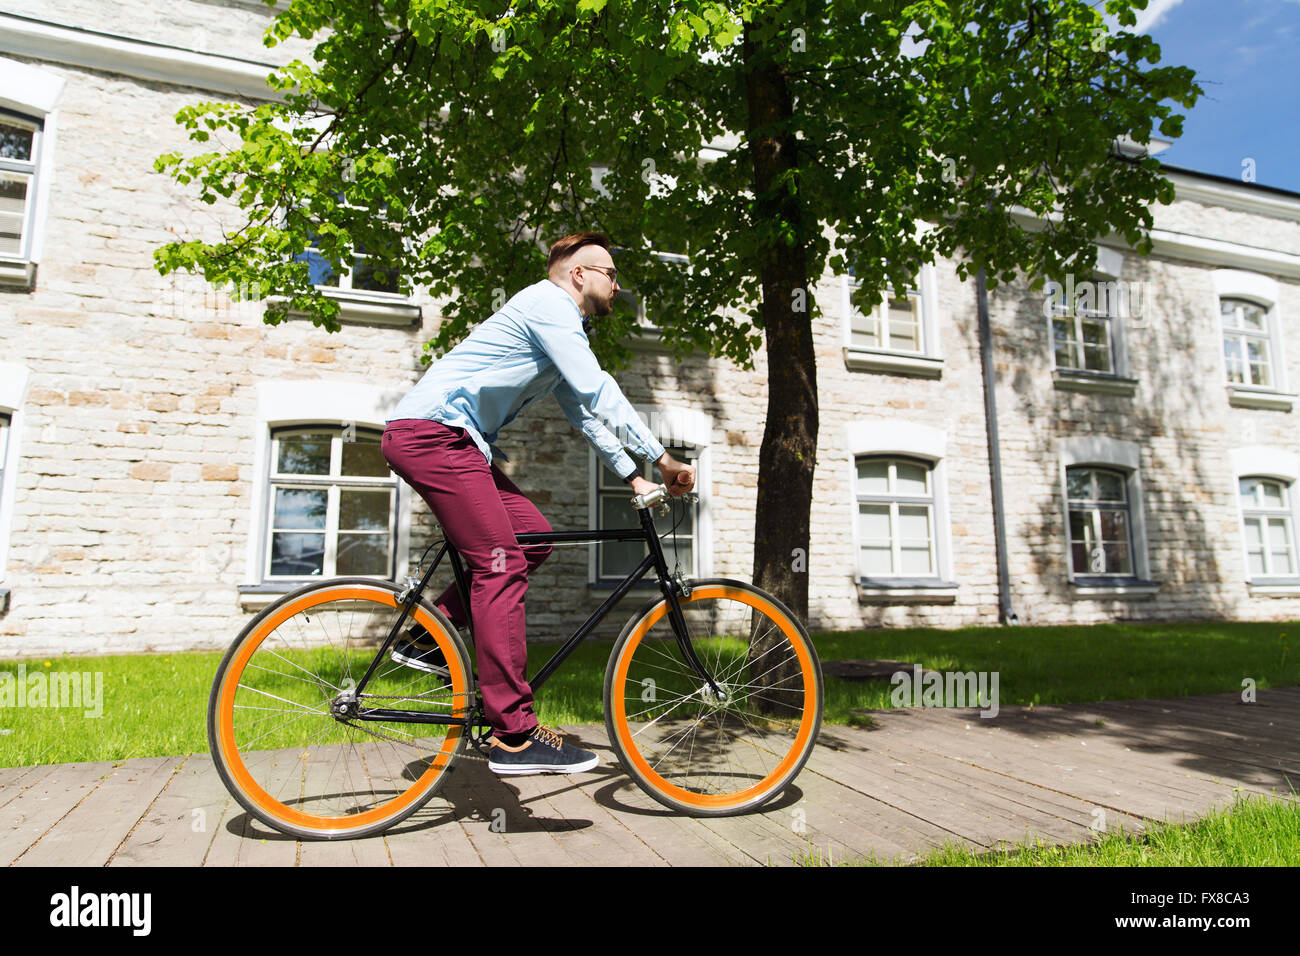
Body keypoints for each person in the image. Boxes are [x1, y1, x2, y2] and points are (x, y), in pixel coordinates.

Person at [381, 232, 696, 775]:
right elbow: (597, 388)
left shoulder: (556, 328)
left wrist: (632, 475)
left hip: (453, 442)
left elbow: (585, 413)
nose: (617, 288)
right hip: (434, 436)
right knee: (500, 564)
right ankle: (516, 735)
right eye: (610, 275)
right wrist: (661, 458)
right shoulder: (548, 305)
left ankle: (429, 639)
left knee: (532, 535)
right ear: (579, 274)